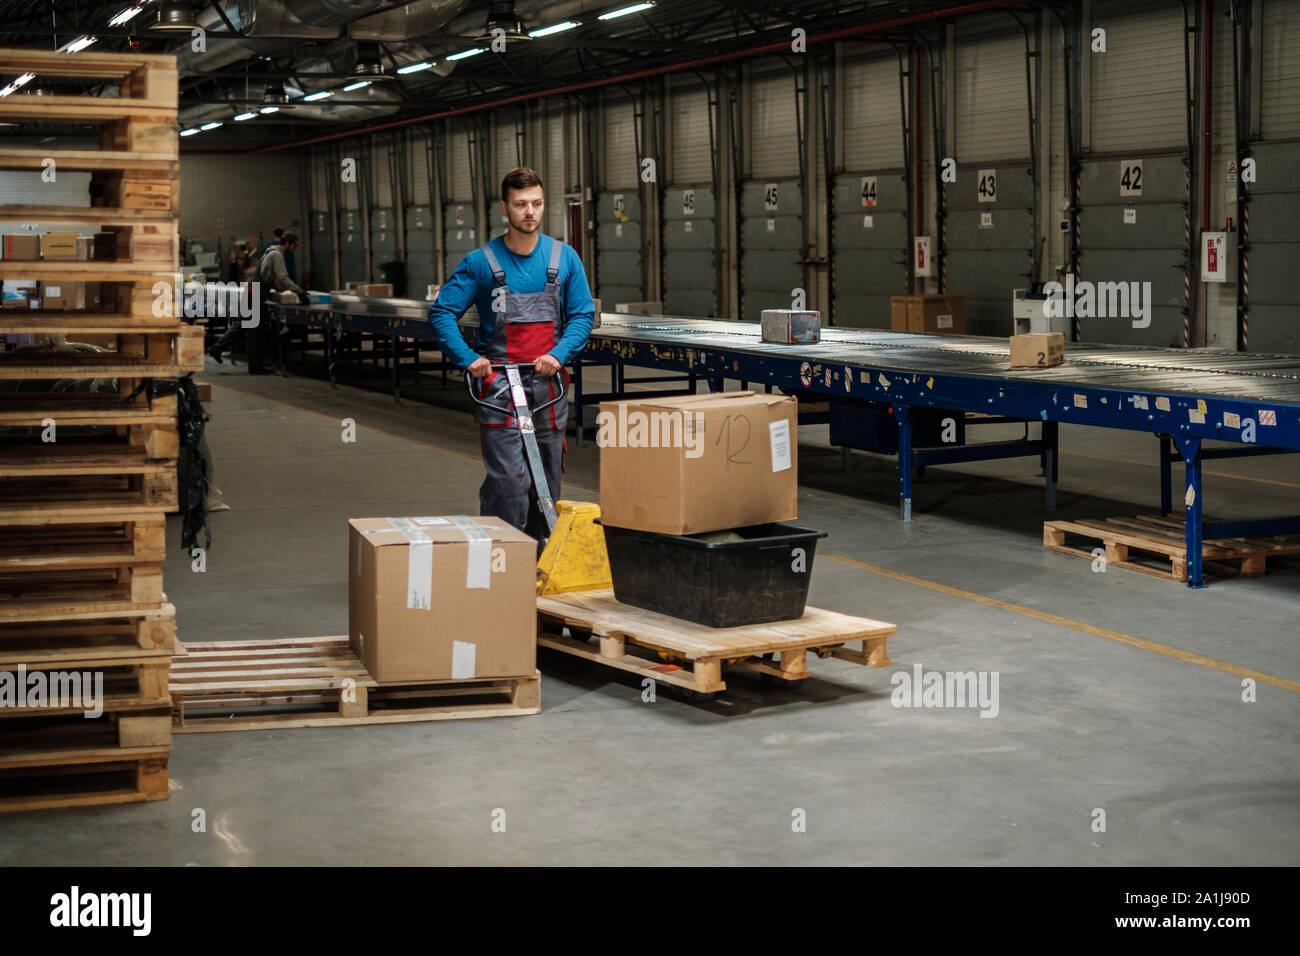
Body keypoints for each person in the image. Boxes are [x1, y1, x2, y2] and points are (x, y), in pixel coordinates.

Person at [429, 167, 594, 544]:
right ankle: (502, 556)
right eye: (520, 204)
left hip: (547, 387)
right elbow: (442, 312)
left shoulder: (564, 258)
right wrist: (468, 358)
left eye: (536, 203)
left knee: (546, 481)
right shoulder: (481, 262)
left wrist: (559, 354)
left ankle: (540, 556)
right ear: (504, 208)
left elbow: (583, 314)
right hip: (500, 389)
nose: (530, 211)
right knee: (509, 481)